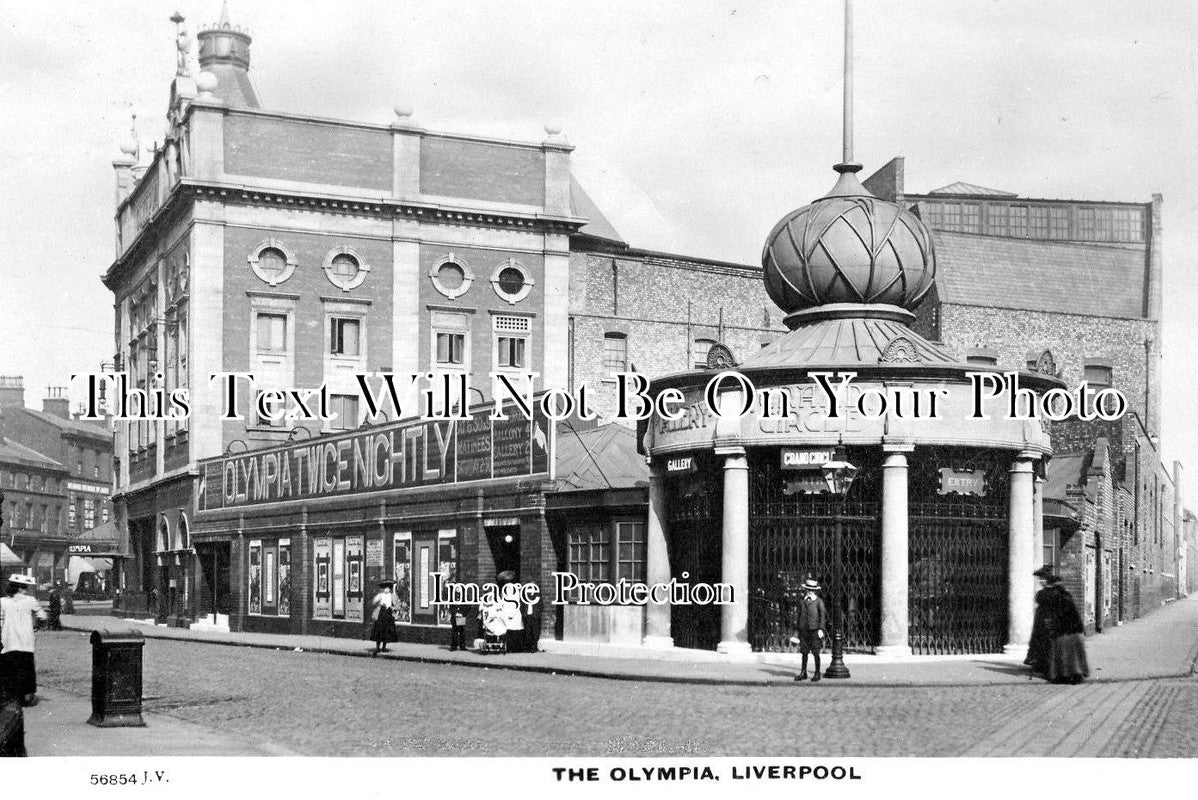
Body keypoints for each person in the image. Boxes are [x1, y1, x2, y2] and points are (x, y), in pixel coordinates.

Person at [1030, 566, 1089, 684]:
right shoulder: (1062, 592)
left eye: (1043, 579)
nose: (1041, 581)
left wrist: (1050, 627)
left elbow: (1049, 614)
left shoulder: (1047, 594)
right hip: (1072, 628)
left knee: (1061, 651)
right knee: (1071, 652)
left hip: (1061, 628)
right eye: (1040, 579)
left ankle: (1063, 675)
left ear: (1048, 580)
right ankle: (1075, 674)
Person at [0, 574, 48, 707]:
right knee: (26, 670)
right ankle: (26, 698)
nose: (26, 589)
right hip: (25, 641)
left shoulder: (2, 601)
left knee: (9, 670)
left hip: (8, 641)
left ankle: (10, 697)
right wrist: (39, 621)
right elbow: (42, 616)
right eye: (25, 587)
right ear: (20, 588)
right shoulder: (30, 600)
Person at [789, 576, 827, 682]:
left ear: (815, 591)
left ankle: (817, 672)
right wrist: (797, 630)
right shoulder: (802, 601)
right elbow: (799, 615)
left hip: (815, 630)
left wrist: (821, 629)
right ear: (806, 590)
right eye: (808, 590)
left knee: (815, 652)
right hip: (804, 630)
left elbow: (822, 616)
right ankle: (803, 672)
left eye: (812, 590)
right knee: (804, 652)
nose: (810, 592)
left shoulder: (819, 602)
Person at [368, 580, 399, 656]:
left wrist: (392, 607)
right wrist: (378, 601)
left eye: (388, 588)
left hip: (388, 614)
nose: (387, 589)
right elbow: (373, 602)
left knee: (386, 631)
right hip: (380, 615)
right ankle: (378, 647)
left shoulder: (393, 596)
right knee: (379, 630)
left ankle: (384, 647)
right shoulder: (380, 595)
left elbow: (398, 606)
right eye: (385, 588)